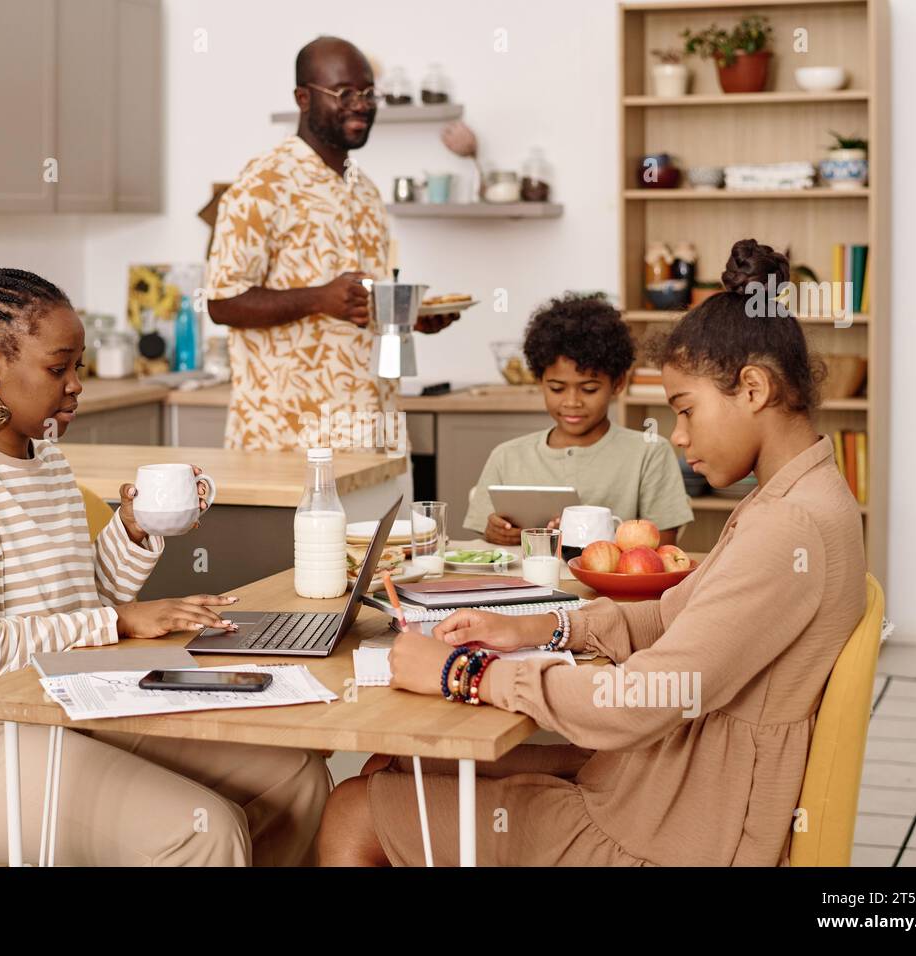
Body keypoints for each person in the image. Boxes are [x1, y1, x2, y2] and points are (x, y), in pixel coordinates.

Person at [316, 240, 867, 867]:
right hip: (671, 785)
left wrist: (462, 675)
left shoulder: (788, 526)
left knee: (354, 810)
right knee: (406, 760)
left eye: (685, 411)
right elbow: (666, 618)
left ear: (752, 388)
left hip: (672, 831)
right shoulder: (796, 499)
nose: (680, 436)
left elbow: (646, 698)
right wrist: (540, 627)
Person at [0, 268, 329, 866]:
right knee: (203, 832)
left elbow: (78, 595)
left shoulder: (40, 451)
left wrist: (133, 529)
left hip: (63, 706)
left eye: (79, 366)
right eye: (58, 368)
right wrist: (114, 624)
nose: (76, 386)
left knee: (297, 778)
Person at [205, 36, 457, 455]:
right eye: (344, 93)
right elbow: (221, 302)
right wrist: (319, 298)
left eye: (368, 93)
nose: (360, 104)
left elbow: (357, 305)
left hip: (376, 429)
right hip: (291, 439)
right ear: (303, 98)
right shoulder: (262, 185)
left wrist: (407, 317)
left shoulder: (366, 191)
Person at [463, 294, 692, 546]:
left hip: (609, 587)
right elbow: (485, 541)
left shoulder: (649, 453)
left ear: (617, 384)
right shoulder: (507, 457)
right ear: (540, 382)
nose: (572, 402)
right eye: (557, 388)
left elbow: (663, 545)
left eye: (589, 389)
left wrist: (587, 535)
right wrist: (495, 533)